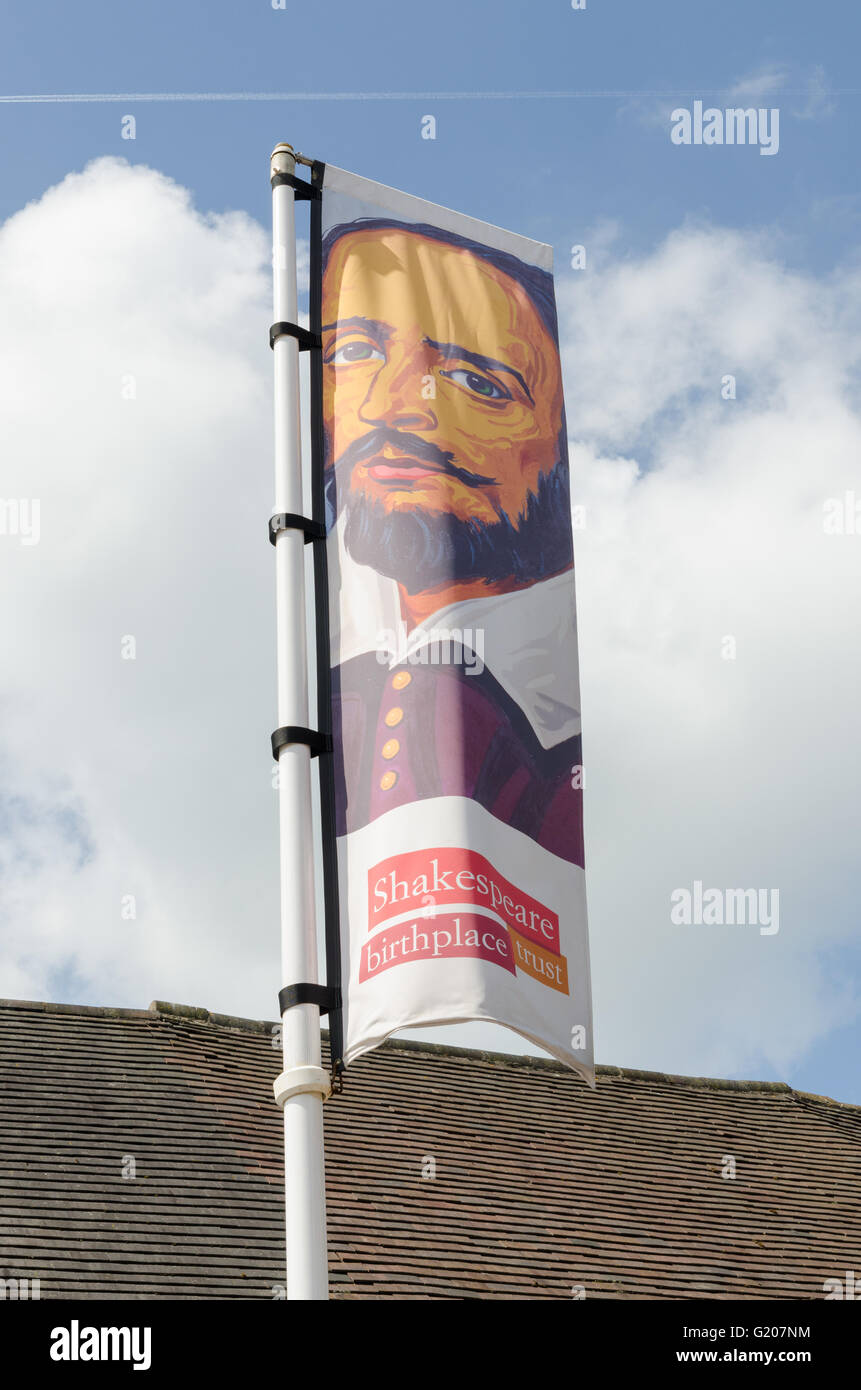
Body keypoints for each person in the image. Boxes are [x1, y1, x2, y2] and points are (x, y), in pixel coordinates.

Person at [322, 219, 583, 868]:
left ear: (559, 442)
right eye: (354, 353)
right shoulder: (323, 683)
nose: (392, 407)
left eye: (478, 383)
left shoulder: (566, 736)